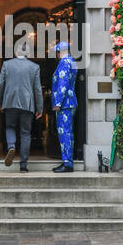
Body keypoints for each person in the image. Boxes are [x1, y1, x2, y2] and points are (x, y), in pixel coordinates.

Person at [0, 44, 43, 173]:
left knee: (10, 127)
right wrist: (40, 107)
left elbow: (0, 85)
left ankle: (11, 146)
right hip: (27, 104)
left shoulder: (7, 65)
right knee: (25, 133)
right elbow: (38, 89)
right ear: (27, 54)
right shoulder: (34, 67)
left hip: (10, 102)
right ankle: (23, 165)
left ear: (16, 52)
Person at [51, 42, 78, 173]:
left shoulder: (63, 62)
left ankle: (67, 163)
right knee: (69, 133)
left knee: (64, 133)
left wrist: (57, 103)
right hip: (71, 102)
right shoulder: (72, 61)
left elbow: (63, 83)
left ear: (59, 52)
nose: (56, 56)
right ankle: (68, 161)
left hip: (65, 104)